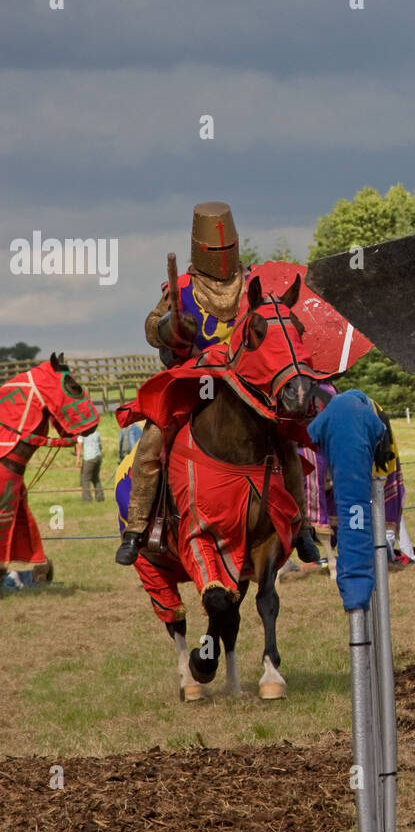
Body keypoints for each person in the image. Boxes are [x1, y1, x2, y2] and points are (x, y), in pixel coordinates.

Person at [115, 202, 318, 566]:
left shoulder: (254, 282)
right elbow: (152, 328)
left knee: (285, 441)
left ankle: (301, 527)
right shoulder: (181, 288)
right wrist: (171, 327)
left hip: (246, 381)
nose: (222, 256)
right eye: (215, 250)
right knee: (152, 441)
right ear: (200, 249)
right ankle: (139, 527)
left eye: (228, 248)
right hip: (193, 378)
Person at [76, 426, 104, 502]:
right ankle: (100, 498)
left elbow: (79, 445)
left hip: (89, 458)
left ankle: (87, 499)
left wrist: (78, 459)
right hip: (98, 457)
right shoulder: (96, 433)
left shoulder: (82, 434)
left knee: (85, 479)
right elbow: (100, 446)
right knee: (96, 477)